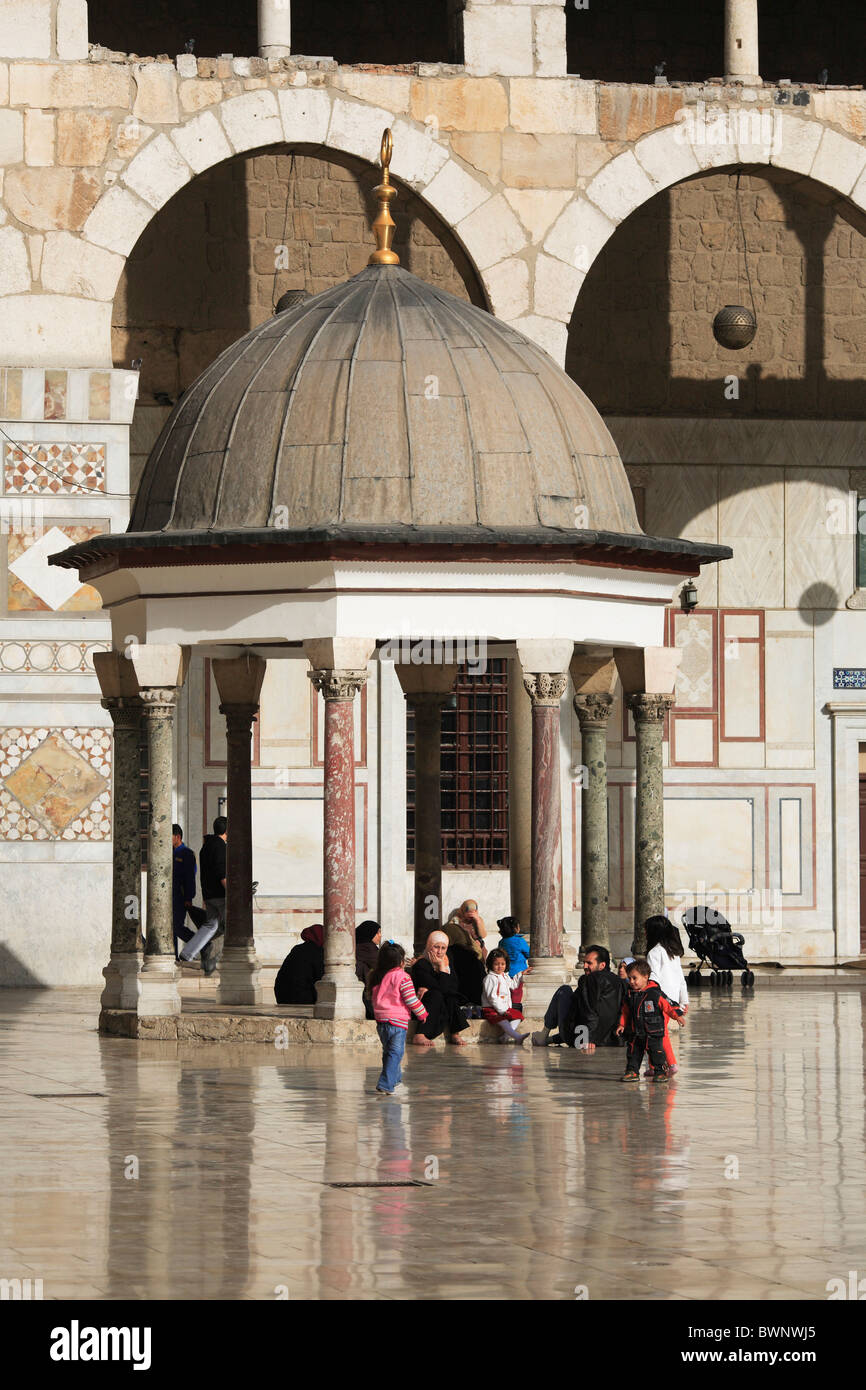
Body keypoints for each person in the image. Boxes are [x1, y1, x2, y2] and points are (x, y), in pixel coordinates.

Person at [532, 944, 623, 1049]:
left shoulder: (590, 979)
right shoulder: (620, 982)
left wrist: (589, 1038)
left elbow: (589, 1011)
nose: (584, 966)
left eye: (589, 963)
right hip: (608, 1039)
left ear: (602, 965)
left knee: (564, 990)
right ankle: (548, 1039)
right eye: (584, 962)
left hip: (583, 1037)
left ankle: (544, 1035)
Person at [370, 941, 429, 1095]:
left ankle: (395, 1080)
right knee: (395, 1053)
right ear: (402, 962)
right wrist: (422, 1012)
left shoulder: (377, 976)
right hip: (397, 1022)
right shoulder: (403, 977)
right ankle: (385, 1084)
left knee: (389, 1052)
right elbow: (410, 1000)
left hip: (381, 1021)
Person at [616, 957, 685, 1083]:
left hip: (653, 1031)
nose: (631, 981)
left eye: (634, 978)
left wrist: (677, 1015)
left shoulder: (654, 993)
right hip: (635, 1032)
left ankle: (660, 1071)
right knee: (633, 1053)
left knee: (657, 1053)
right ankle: (632, 1071)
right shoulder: (630, 995)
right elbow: (625, 1012)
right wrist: (621, 1024)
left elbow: (668, 1005)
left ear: (645, 977)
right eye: (629, 978)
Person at [178, 815, 227, 973]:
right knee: (233, 927)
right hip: (220, 894)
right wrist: (231, 892)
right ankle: (219, 958)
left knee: (211, 925)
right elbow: (221, 872)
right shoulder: (220, 846)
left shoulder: (206, 847)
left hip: (209, 894)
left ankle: (187, 953)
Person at [645, 915, 689, 1074]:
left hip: (659, 999)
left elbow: (653, 978)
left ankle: (670, 1064)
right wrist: (684, 1000)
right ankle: (654, 1066)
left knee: (655, 1034)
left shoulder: (654, 952)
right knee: (657, 1032)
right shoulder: (673, 953)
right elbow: (681, 978)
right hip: (672, 1000)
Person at [409, 930, 470, 1046]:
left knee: (451, 997)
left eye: (443, 948)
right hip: (423, 1005)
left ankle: (454, 1033)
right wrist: (442, 969)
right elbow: (440, 988)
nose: (440, 952)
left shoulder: (447, 962)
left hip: (442, 1002)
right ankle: (420, 1034)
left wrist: (442, 966)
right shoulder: (421, 964)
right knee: (435, 994)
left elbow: (452, 987)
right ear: (429, 947)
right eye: (436, 947)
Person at [481, 948, 530, 1044]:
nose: (500, 967)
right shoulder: (490, 978)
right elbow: (492, 997)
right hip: (491, 1009)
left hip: (504, 1009)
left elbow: (513, 985)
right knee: (503, 1021)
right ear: (491, 964)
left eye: (502, 964)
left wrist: (521, 974)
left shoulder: (504, 976)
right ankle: (517, 1037)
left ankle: (505, 1036)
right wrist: (502, 1011)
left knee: (518, 1016)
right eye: (496, 964)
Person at [443, 900, 487, 1004]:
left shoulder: (477, 920)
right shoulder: (456, 920)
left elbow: (483, 935)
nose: (470, 915)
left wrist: (477, 920)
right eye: (468, 912)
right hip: (462, 950)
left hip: (477, 948)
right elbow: (451, 934)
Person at [274, 924, 325, 1005]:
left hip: (282, 996)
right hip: (303, 998)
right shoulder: (317, 952)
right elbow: (321, 975)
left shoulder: (297, 948)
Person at [171, 824, 197, 959]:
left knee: (176, 927)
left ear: (177, 837)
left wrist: (188, 897)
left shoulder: (186, 854)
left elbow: (189, 878)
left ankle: (201, 944)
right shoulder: (170, 853)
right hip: (170, 897)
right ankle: (173, 956)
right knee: (170, 929)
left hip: (181, 897)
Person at [496, 916, 529, 1011]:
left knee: (507, 993)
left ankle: (508, 1009)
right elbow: (529, 953)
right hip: (519, 972)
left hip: (505, 972)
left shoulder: (502, 942)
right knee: (517, 993)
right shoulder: (520, 941)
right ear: (515, 928)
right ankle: (515, 1010)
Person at [356, 920, 381, 1020]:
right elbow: (383, 965)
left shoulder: (359, 946)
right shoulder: (369, 948)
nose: (380, 935)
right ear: (370, 933)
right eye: (378, 932)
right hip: (364, 993)